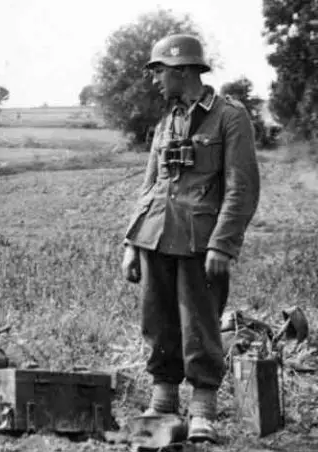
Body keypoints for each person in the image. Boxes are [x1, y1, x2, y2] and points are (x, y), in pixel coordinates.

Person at [121, 34, 260, 443]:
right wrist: (131, 243)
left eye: (159, 71)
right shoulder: (167, 122)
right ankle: (163, 402)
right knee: (157, 323)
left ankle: (202, 410)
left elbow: (242, 186)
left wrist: (223, 243)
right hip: (155, 238)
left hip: (200, 242)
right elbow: (149, 186)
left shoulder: (230, 117)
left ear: (183, 70)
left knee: (199, 324)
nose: (154, 81)